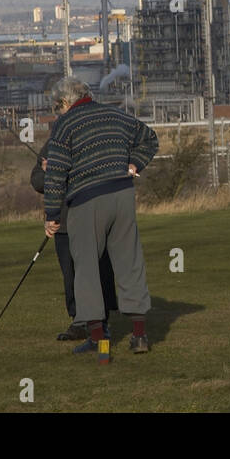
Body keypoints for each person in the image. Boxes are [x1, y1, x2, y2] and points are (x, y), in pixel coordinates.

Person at [43, 77, 159, 361]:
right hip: (122, 194)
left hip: (86, 201)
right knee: (130, 262)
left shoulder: (65, 125)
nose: (57, 113)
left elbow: (56, 173)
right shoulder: (116, 114)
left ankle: (100, 342)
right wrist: (134, 164)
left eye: (57, 107)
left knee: (86, 270)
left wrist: (52, 215)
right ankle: (140, 335)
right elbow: (150, 139)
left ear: (64, 103)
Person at [30, 116, 119, 342]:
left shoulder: (94, 142)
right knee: (70, 275)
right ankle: (78, 321)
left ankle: (101, 321)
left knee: (98, 271)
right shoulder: (51, 145)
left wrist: (64, 171)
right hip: (63, 222)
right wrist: (51, 174)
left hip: (92, 219)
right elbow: (37, 180)